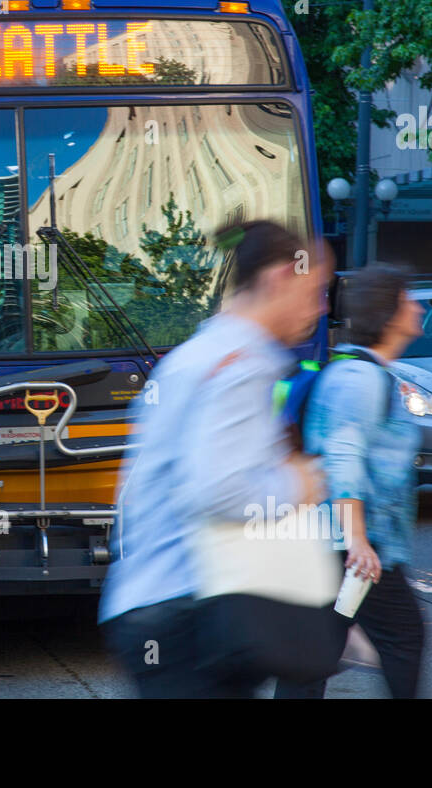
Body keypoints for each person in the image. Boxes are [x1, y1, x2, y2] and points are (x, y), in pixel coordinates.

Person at [99, 219, 329, 697]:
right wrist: (299, 485)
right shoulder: (241, 366)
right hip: (190, 612)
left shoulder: (194, 355)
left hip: (156, 604)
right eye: (315, 292)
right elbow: (219, 489)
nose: (320, 308)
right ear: (279, 279)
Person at [275, 264, 427, 698]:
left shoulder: (360, 373)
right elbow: (342, 460)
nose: (417, 306)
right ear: (391, 312)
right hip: (358, 546)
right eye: (409, 298)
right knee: (404, 640)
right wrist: (358, 540)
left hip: (334, 542)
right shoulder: (359, 379)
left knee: (313, 658)